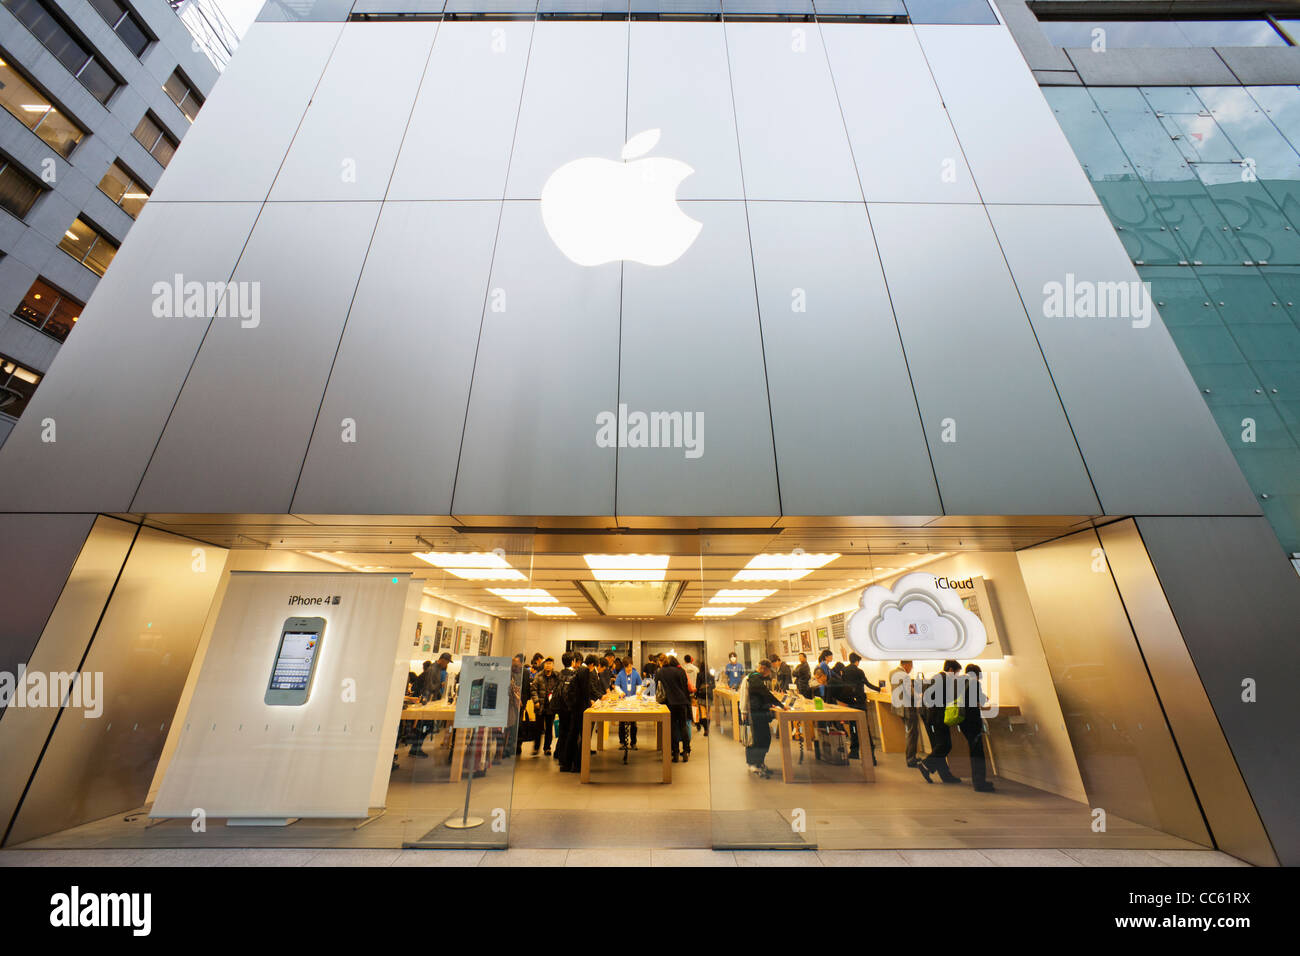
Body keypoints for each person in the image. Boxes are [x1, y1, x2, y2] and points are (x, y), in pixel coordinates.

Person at [918, 659, 963, 784]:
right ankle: (925, 764)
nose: (957, 675)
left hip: (930, 717)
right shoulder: (944, 680)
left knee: (938, 745)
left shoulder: (937, 677)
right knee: (945, 745)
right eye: (957, 672)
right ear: (951, 670)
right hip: (936, 717)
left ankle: (945, 775)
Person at [745, 659, 785, 776]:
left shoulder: (755, 678)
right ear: (764, 668)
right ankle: (753, 763)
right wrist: (781, 705)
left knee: (764, 738)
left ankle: (759, 762)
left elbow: (762, 695)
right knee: (759, 738)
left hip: (759, 711)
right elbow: (765, 694)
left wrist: (772, 704)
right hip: (756, 713)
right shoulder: (754, 678)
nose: (769, 674)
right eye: (768, 671)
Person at [841, 652, 881, 763]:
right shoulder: (859, 671)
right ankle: (871, 756)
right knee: (864, 728)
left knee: (853, 727)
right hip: (860, 702)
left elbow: (843, 685)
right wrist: (879, 689)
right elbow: (867, 683)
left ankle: (854, 752)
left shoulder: (844, 670)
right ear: (857, 661)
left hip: (850, 701)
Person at [559, 654, 596, 773]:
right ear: (592, 665)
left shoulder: (579, 670)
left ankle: (567, 764)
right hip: (580, 709)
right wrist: (589, 704)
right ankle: (577, 764)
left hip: (575, 707)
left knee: (573, 735)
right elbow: (585, 690)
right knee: (581, 736)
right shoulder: (585, 671)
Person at [962, 663, 993, 792]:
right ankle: (980, 783)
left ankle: (977, 780)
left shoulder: (960, 683)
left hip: (963, 721)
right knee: (978, 752)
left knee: (973, 751)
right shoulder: (975, 684)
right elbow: (981, 701)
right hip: (973, 722)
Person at [657, 655, 692, 763]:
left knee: (672, 728)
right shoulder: (681, 670)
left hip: (670, 703)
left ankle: (675, 753)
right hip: (682, 702)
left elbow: (656, 685)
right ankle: (686, 751)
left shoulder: (661, 671)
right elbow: (685, 687)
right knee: (683, 727)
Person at [888, 660, 920, 768]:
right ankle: (911, 759)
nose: (911, 669)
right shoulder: (905, 676)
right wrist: (920, 696)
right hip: (907, 708)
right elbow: (910, 693)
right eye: (911, 666)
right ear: (906, 665)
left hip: (898, 707)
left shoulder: (892, 672)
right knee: (912, 733)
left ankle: (911, 756)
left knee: (908, 732)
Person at [533, 656, 559, 756]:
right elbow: (533, 689)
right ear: (544, 665)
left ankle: (547, 748)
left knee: (549, 728)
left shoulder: (557, 676)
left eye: (550, 664)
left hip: (551, 707)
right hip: (540, 706)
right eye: (546, 663)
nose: (548, 665)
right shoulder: (538, 676)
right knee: (538, 728)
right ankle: (536, 748)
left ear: (553, 665)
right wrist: (536, 701)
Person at [553, 652, 576, 765]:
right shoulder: (574, 674)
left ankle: (560, 755)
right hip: (570, 707)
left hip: (560, 707)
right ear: (573, 661)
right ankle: (567, 757)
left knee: (562, 731)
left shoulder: (559, 674)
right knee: (570, 732)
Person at [615, 658, 641, 750]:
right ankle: (622, 742)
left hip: (633, 700)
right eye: (627, 667)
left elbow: (639, 685)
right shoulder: (620, 674)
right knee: (622, 722)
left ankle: (633, 742)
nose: (629, 668)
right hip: (623, 700)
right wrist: (620, 692)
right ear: (624, 666)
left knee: (633, 722)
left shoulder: (636, 673)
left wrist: (638, 691)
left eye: (630, 666)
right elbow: (617, 686)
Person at [694, 666, 714, 737]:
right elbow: (714, 686)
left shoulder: (699, 675)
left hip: (701, 696)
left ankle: (705, 729)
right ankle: (707, 729)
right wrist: (708, 686)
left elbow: (697, 686)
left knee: (703, 714)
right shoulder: (711, 676)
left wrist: (695, 695)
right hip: (709, 696)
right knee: (708, 714)